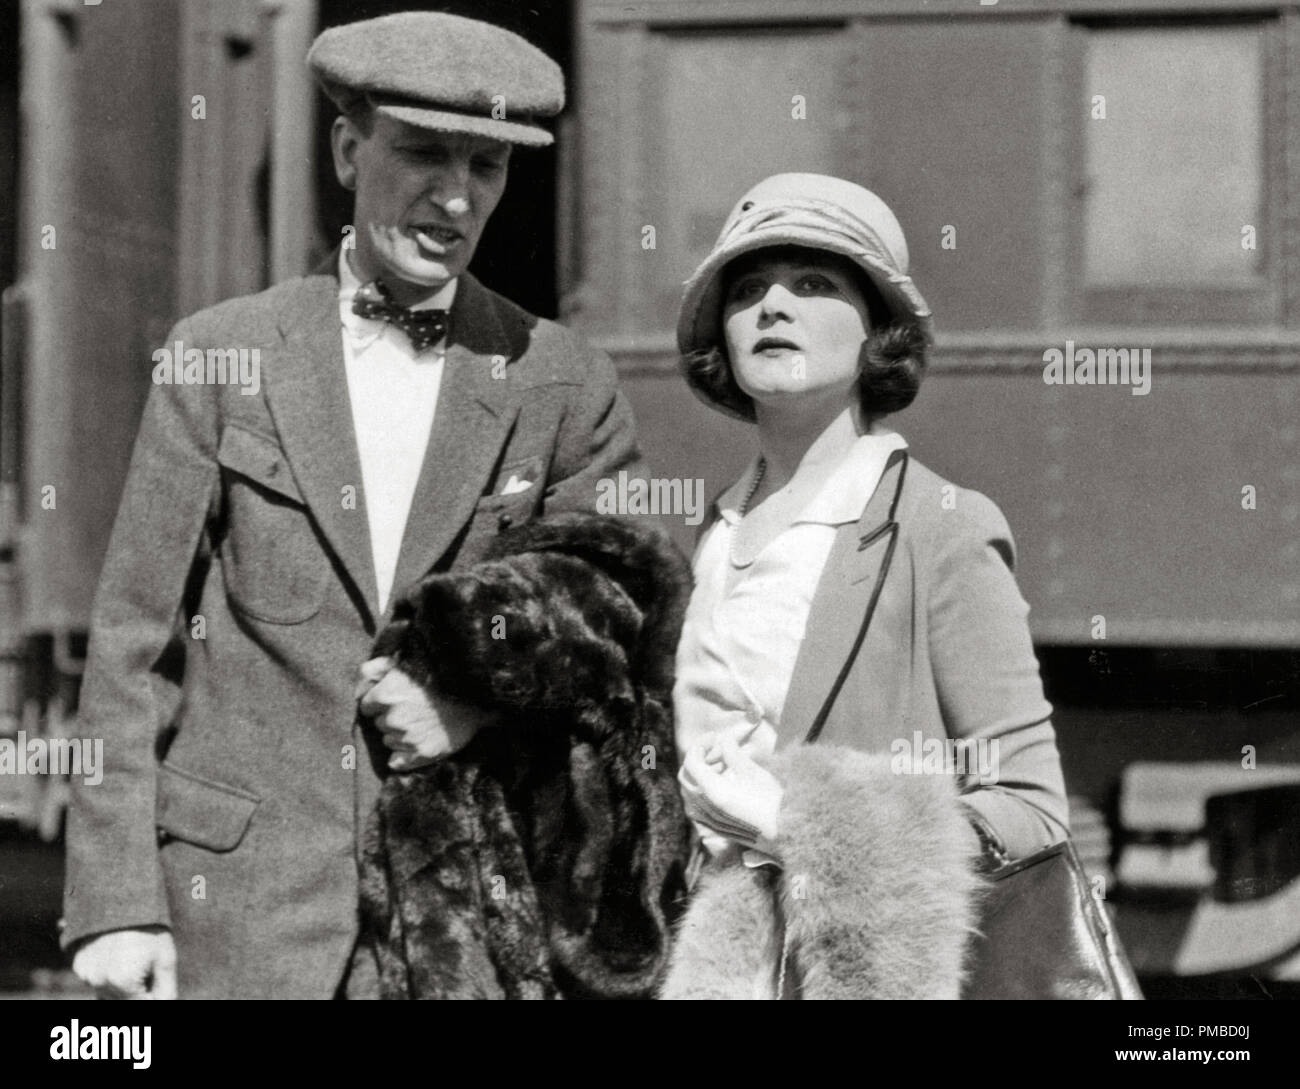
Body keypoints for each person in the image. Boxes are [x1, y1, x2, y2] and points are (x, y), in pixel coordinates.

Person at [63, 11, 644, 1000]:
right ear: (347, 149)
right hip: (243, 916)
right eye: (422, 154)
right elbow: (130, 648)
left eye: (487, 167)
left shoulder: (562, 382)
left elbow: (617, 640)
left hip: (466, 930)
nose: (455, 198)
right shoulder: (222, 356)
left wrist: (475, 710)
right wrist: (117, 904)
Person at [660, 173, 1071, 998]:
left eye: (814, 284)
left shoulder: (941, 526)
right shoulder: (714, 537)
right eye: (747, 291)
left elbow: (1033, 808)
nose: (773, 306)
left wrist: (802, 827)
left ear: (875, 331)